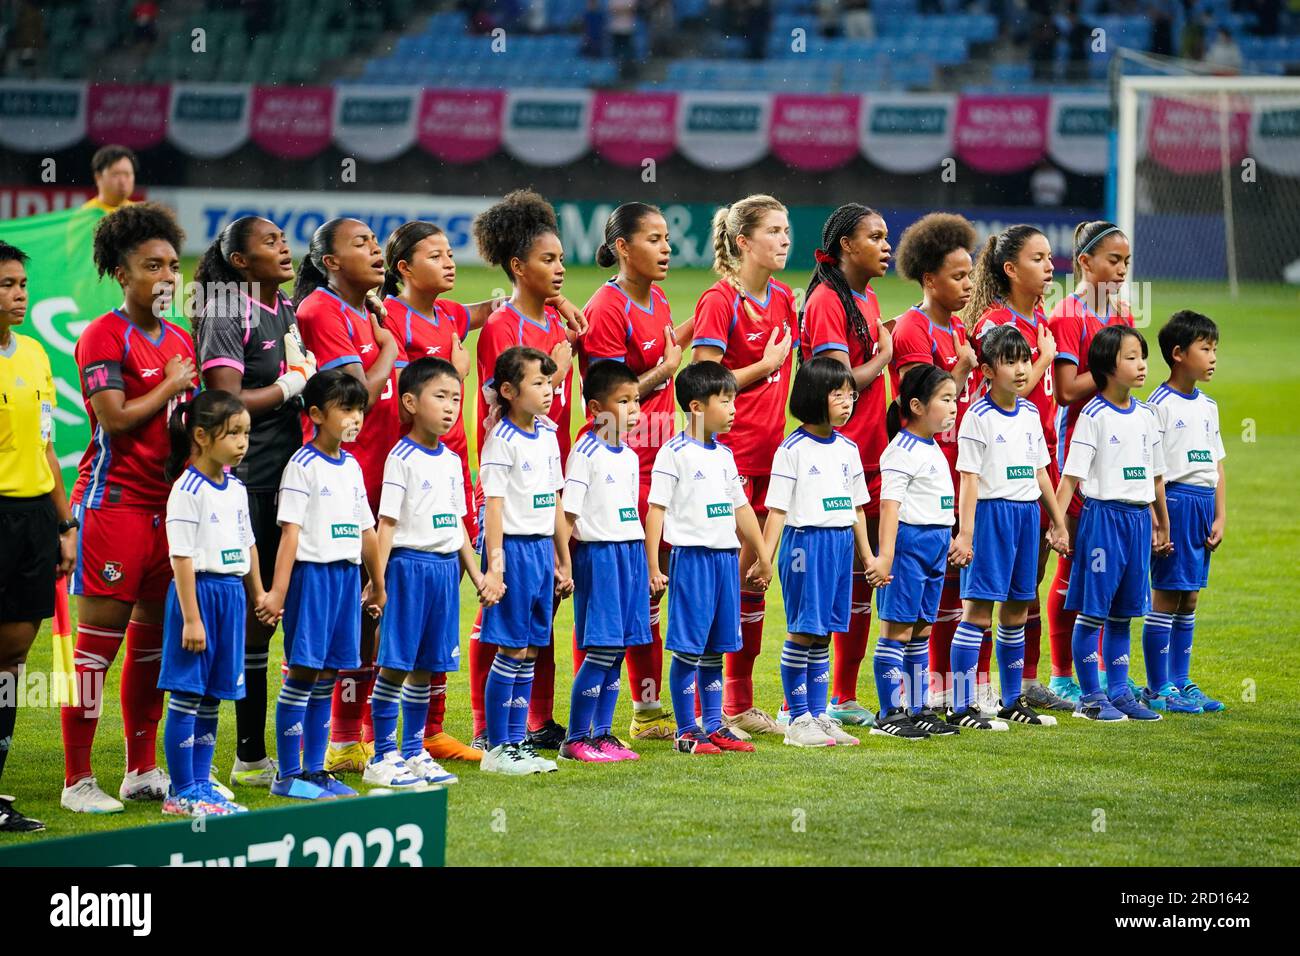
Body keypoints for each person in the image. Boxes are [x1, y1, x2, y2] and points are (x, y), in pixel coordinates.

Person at [62, 203, 198, 815]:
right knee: (95, 649)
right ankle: (76, 778)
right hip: (111, 506)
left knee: (150, 648)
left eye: (172, 265)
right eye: (152, 266)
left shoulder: (178, 338)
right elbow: (113, 421)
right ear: (122, 273)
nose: (167, 277)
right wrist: (169, 386)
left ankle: (141, 769)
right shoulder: (103, 334)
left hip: (163, 512)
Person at [193, 216, 312, 788]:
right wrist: (290, 388)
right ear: (239, 261)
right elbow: (222, 401)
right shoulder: (226, 309)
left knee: (267, 620)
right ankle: (216, 761)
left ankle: (251, 755)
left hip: (285, 482)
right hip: (242, 487)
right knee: (235, 618)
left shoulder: (284, 307)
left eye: (284, 239)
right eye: (269, 242)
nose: (283, 248)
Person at [471, 191, 586, 753]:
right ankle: (485, 722)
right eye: (548, 260)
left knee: (542, 606)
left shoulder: (557, 321)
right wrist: (560, 371)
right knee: (501, 607)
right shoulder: (503, 326)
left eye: (562, 258)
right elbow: (501, 410)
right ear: (518, 267)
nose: (560, 268)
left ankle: (533, 720)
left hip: (548, 480)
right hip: (507, 487)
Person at [293, 218, 400, 774]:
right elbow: (357, 395)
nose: (374, 250)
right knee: (340, 616)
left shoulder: (367, 310)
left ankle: (349, 736)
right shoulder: (321, 310)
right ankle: (329, 741)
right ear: (330, 262)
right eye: (360, 244)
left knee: (371, 614)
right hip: (335, 482)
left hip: (378, 477)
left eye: (375, 242)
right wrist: (388, 346)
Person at [580, 202, 687, 741]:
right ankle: (592, 720)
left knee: (650, 588)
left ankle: (646, 711)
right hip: (617, 469)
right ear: (623, 247)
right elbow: (603, 406)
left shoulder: (661, 298)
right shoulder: (606, 307)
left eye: (667, 238)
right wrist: (665, 370)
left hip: (657, 463)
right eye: (654, 239)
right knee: (610, 599)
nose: (666, 248)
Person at [692, 194, 795, 737]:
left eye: (786, 230)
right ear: (742, 242)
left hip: (770, 458)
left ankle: (740, 702)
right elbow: (702, 383)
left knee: (755, 581)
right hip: (725, 462)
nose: (784, 239)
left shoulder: (783, 298)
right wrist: (766, 365)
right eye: (773, 231)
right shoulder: (719, 300)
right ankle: (706, 710)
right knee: (719, 586)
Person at [369, 358, 496, 789]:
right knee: (395, 664)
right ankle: (382, 755)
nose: (450, 407)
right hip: (408, 569)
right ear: (409, 402)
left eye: (456, 399)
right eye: (439, 397)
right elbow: (386, 524)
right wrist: (379, 580)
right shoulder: (400, 458)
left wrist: (478, 576)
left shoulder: (452, 461)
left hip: (444, 573)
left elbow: (457, 524)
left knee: (426, 667)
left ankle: (414, 750)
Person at [258, 370, 385, 798]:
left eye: (359, 410)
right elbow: (289, 534)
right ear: (315, 414)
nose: (355, 418)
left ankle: (314, 771)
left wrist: (378, 583)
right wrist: (278, 592)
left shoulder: (350, 465)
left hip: (346, 579)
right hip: (312, 579)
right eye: (345, 409)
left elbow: (367, 530)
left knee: (329, 673)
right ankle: (287, 775)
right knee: (304, 672)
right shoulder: (302, 465)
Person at [645, 361, 773, 755]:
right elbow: (655, 510)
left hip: (725, 563)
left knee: (716, 648)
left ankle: (714, 725)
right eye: (726, 400)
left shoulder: (724, 456)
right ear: (697, 407)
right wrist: (653, 566)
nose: (734, 408)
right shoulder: (674, 453)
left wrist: (764, 556)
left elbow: (743, 510)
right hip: (693, 561)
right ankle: (687, 730)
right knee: (689, 647)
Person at [796, 202, 892, 725]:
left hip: (868, 453)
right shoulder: (828, 301)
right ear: (845, 246)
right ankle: (800, 703)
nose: (885, 245)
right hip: (831, 461)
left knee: (860, 581)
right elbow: (837, 383)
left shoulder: (867, 297)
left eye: (886, 236)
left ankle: (843, 695)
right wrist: (885, 354)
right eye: (875, 237)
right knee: (826, 584)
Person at [966, 223, 1067, 713]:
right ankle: (982, 686)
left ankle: (1024, 682)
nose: (1050, 267)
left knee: (1028, 581)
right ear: (1010, 269)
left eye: (1050, 258)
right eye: (1038, 259)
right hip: (999, 474)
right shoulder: (994, 324)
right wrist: (1044, 360)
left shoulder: (1040, 314)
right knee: (994, 587)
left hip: (1038, 462)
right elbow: (1005, 396)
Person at [951, 326, 1069, 730]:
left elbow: (1041, 472)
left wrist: (1056, 520)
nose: (1022, 369)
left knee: (1018, 609)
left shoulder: (1032, 413)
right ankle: (961, 705)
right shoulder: (976, 418)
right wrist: (965, 533)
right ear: (986, 370)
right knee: (978, 612)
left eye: (1025, 359)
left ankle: (1012, 699)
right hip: (990, 517)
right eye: (1010, 361)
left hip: (1026, 517)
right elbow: (968, 480)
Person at [1055, 326, 1170, 722]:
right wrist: (1057, 525)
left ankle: (1119, 691)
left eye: (1143, 356)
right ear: (1107, 366)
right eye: (1131, 357)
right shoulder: (1093, 415)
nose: (1141, 365)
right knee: (1093, 611)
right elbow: (1070, 477)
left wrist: (1162, 524)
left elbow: (1157, 477)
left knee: (1123, 613)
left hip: (1139, 521)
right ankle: (1090, 697)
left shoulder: (1147, 415)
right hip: (1103, 521)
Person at [0, 241, 77, 833]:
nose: (18, 293)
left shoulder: (34, 355)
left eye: (21, 283)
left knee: (15, 653)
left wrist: (65, 522)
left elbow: (48, 448)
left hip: (31, 520)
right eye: (6, 284)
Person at [759, 357, 875, 748]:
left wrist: (868, 557)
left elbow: (857, 507)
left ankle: (819, 713)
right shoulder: (792, 449)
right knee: (804, 631)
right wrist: (765, 558)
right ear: (813, 396)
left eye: (850, 394)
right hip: (806, 546)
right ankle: (796, 719)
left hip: (840, 546)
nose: (847, 401)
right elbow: (776, 509)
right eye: (837, 394)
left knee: (824, 633)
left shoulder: (848, 448)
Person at [888, 213, 978, 715]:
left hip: (950, 472)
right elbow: (925, 404)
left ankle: (938, 690)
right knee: (917, 591)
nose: (967, 284)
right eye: (957, 276)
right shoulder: (912, 329)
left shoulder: (958, 326)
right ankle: (899, 698)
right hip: (920, 475)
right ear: (929, 279)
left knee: (947, 587)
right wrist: (962, 369)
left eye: (969, 274)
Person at [159, 390, 261, 816]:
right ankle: (180, 792)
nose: (242, 443)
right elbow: (180, 556)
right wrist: (192, 619)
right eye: (233, 433)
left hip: (231, 598)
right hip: (198, 596)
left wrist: (259, 594)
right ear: (200, 435)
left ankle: (202, 783)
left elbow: (248, 543)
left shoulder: (235, 486)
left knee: (215, 696)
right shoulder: (187, 489)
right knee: (187, 695)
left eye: (246, 434)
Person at [1045, 221, 1134, 703]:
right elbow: (1065, 391)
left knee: (1111, 566)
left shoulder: (1121, 311)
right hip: (1079, 450)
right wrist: (1112, 373)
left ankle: (1102, 672)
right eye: (1112, 261)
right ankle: (1063, 672)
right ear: (1084, 262)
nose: (1121, 271)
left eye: (1125, 262)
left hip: (1118, 455)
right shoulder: (1068, 313)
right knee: (1075, 563)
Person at [477, 346, 573, 775]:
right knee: (512, 648)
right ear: (509, 391)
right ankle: (497, 747)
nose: (549, 391)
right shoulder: (501, 441)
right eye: (538, 383)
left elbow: (554, 500)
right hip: (512, 551)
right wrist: (495, 566)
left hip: (540, 552)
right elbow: (493, 508)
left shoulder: (548, 435)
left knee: (532, 649)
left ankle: (518, 741)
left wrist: (563, 558)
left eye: (550, 383)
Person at [558, 359, 649, 762]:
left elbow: (628, 513)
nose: (635, 410)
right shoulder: (586, 452)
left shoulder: (628, 456)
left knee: (620, 649)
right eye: (624, 402)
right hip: (600, 558)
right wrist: (563, 564)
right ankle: (576, 738)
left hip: (629, 555)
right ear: (595, 409)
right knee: (600, 648)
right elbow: (568, 515)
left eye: (637, 401)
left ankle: (604, 733)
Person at [868, 365, 963, 740]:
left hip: (935, 547)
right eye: (945, 399)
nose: (954, 407)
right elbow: (890, 506)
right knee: (897, 630)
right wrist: (886, 555)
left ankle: (918, 708)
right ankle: (890, 712)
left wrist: (952, 535)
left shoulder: (933, 447)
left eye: (955, 398)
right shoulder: (901, 450)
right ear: (917, 406)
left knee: (922, 630)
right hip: (908, 547)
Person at [1143, 311, 1226, 714]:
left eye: (1215, 350)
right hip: (1173, 503)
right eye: (1205, 349)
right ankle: (1158, 688)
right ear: (1178, 354)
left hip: (1202, 505)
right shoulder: (1158, 405)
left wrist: (1221, 515)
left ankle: (1180, 682)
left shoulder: (1208, 406)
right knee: (1165, 597)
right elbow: (1153, 468)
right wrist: (1160, 521)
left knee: (1189, 598)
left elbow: (1217, 464)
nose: (1213, 358)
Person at [82, 145, 138, 214]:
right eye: (116, 174)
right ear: (98, 177)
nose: (122, 181)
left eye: (127, 174)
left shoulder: (139, 214)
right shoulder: (85, 214)